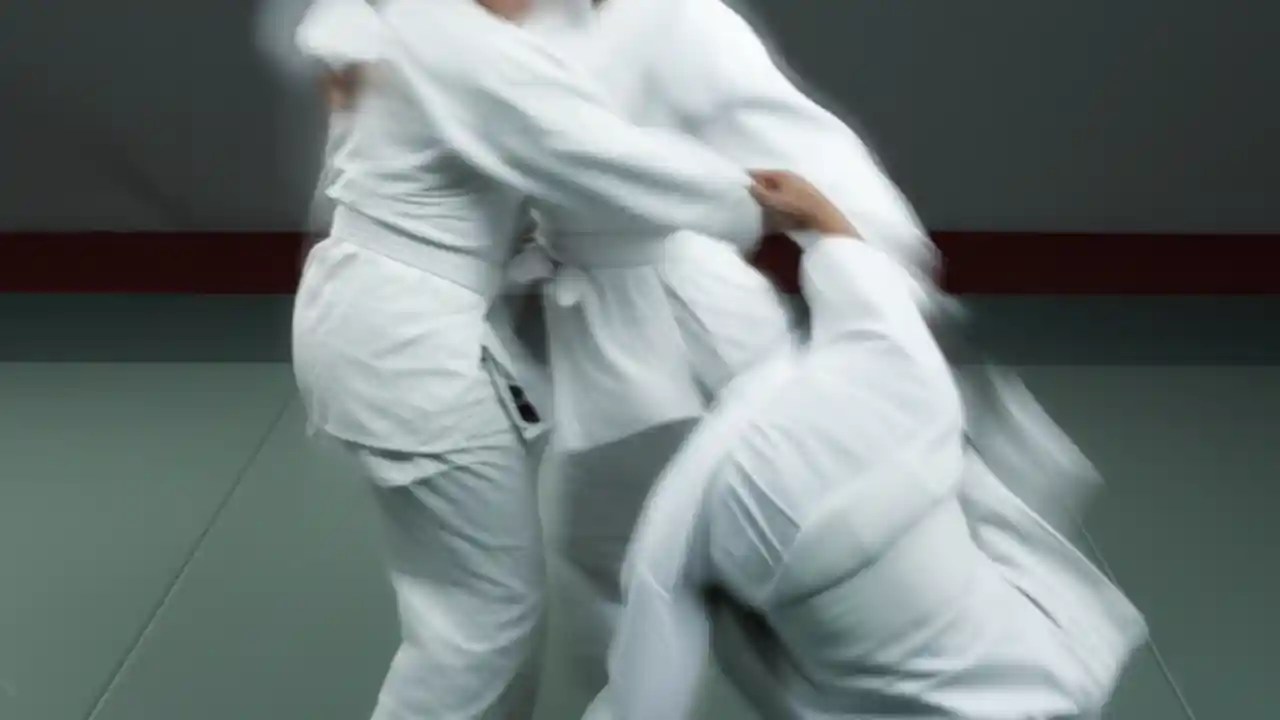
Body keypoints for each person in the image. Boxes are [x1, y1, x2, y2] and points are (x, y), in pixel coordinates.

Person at [278, 1, 801, 717]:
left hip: (380, 314)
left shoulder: (402, 18)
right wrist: (762, 202)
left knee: (465, 605)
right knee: (480, 619)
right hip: (406, 338)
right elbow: (601, 155)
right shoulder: (474, 52)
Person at [583, 171, 1147, 720]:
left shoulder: (682, 511)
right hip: (1026, 677)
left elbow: (646, 691)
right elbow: (854, 267)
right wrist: (810, 213)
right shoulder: (878, 367)